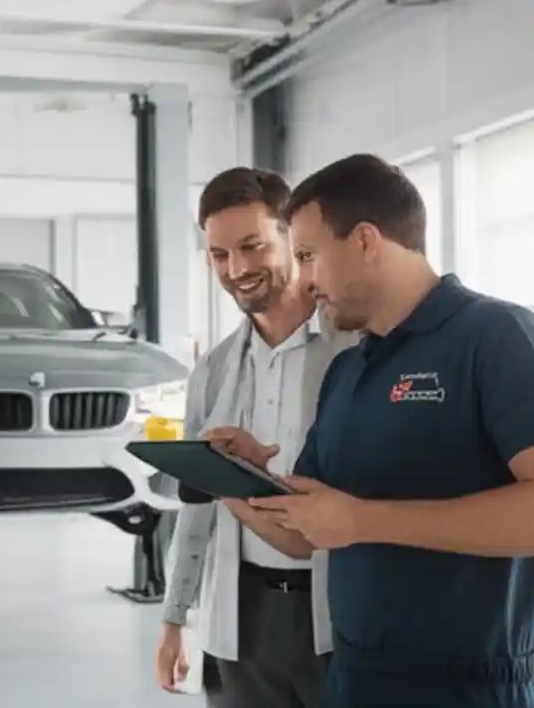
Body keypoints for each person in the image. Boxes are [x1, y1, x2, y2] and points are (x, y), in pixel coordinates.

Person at [217, 154, 534, 707]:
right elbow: (307, 536)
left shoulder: (498, 336)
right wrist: (239, 480)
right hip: (353, 681)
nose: (304, 281)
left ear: (365, 241)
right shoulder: (348, 370)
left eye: (307, 256)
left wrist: (362, 520)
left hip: (469, 689)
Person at [154, 167, 354, 708]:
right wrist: (175, 619)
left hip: (340, 615)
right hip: (240, 621)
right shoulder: (214, 370)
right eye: (219, 254)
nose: (237, 269)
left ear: (293, 238)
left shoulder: (356, 350)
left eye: (252, 246)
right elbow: (198, 504)